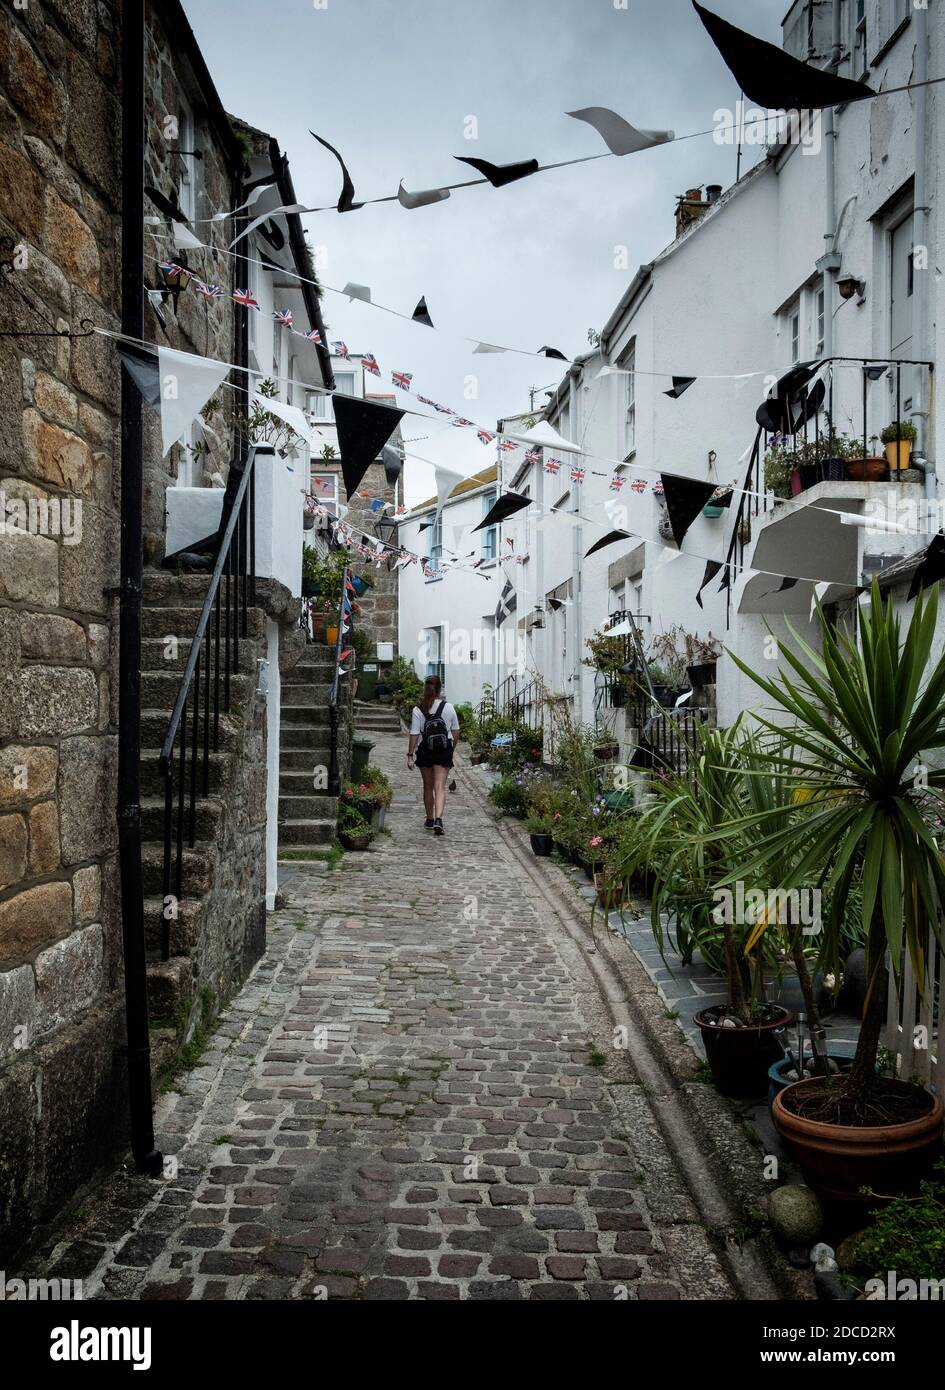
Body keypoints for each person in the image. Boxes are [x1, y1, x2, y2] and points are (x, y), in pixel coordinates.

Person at [407, 675, 459, 836]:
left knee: (428, 786)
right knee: (440, 787)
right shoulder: (448, 707)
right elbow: (456, 731)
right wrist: (451, 748)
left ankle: (429, 819)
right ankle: (438, 819)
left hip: (425, 750)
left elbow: (414, 733)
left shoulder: (418, 709)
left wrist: (410, 755)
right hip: (444, 750)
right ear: (439, 689)